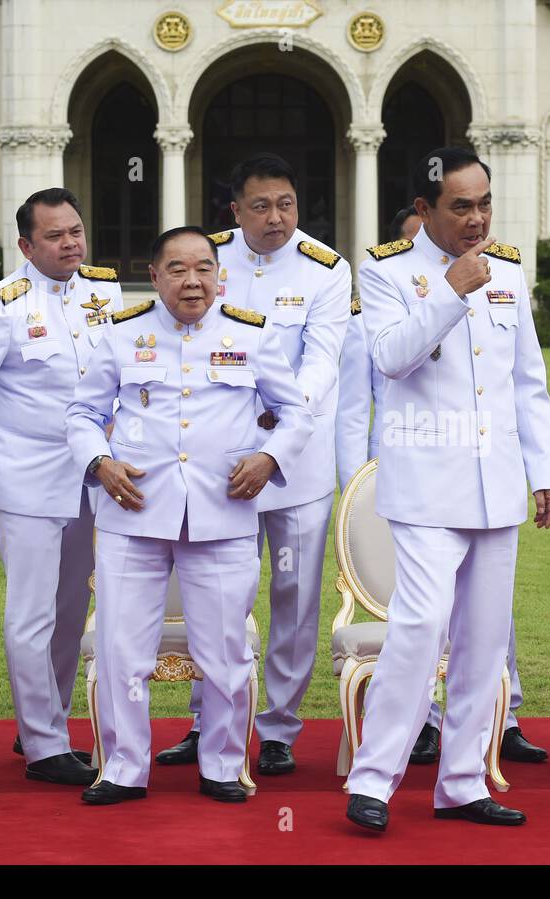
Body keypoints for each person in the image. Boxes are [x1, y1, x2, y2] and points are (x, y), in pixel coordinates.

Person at [344, 148, 550, 832]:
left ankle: (463, 780)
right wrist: (450, 289)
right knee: (420, 628)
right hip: (424, 485)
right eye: (460, 206)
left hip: (494, 484)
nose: (477, 219)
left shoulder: (511, 270)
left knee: (484, 640)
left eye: (484, 203)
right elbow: (389, 357)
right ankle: (374, 777)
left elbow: (528, 379)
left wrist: (544, 472)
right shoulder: (383, 271)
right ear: (424, 211)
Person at [67, 227, 312, 805]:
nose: (193, 280)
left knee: (225, 651)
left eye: (204, 267)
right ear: (154, 277)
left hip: (222, 512)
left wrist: (268, 455)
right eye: (177, 268)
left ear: (219, 275)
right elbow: (82, 412)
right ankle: (125, 768)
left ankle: (223, 765)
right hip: (134, 513)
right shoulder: (121, 334)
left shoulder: (251, 334)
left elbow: (296, 412)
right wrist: (100, 462)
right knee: (122, 649)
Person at [155, 155, 349, 776]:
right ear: (234, 211)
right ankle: (205, 720)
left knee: (294, 596)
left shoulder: (326, 268)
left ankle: (278, 729)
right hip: (219, 466)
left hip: (294, 464)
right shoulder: (206, 259)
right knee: (214, 598)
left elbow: (322, 362)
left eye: (286, 203)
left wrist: (278, 427)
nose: (276, 217)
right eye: (261, 206)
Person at [0, 188, 122, 786]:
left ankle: (46, 718)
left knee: (71, 606)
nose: (70, 245)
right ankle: (44, 745)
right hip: (26, 478)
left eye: (76, 232)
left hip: (92, 478)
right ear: (26, 245)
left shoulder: (104, 291)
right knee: (31, 612)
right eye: (55, 236)